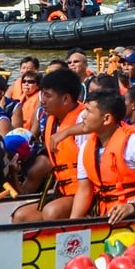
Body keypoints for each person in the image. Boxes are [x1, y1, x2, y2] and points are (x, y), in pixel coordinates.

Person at [71, 91, 135, 224]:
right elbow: (84, 190)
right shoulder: (86, 147)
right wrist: (72, 225)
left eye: (88, 111)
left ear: (107, 119)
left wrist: (132, 206)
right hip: (109, 217)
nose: (83, 116)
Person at [12, 67, 88, 222]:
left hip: (86, 192)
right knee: (21, 217)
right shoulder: (50, 120)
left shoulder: (84, 120)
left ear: (65, 99)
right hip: (63, 190)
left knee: (52, 212)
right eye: (42, 94)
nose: (42, 101)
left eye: (47, 96)